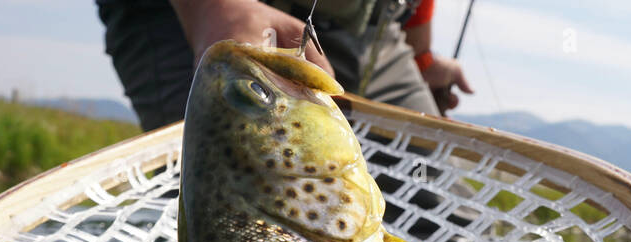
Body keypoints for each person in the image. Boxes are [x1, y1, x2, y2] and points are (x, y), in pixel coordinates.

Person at [97, 0, 474, 131]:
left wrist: (421, 58)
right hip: (188, 15)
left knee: (438, 211)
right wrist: (212, 9)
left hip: (368, 27)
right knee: (233, 195)